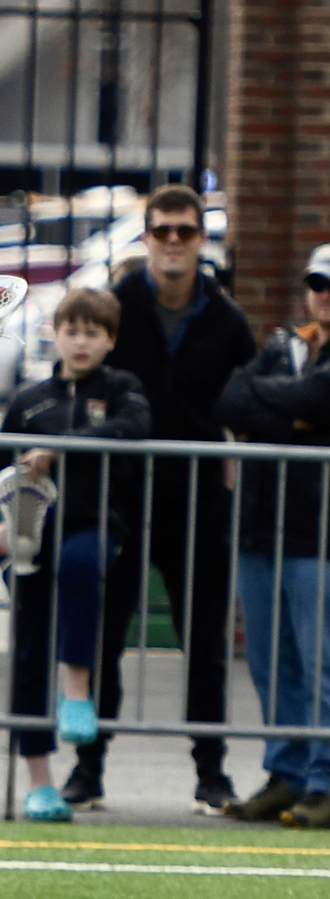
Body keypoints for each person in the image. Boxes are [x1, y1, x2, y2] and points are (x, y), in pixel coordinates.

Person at [69, 183, 255, 814]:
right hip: (120, 497)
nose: (174, 241)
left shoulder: (227, 321)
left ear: (202, 239)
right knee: (104, 637)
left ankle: (211, 773)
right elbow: (81, 378)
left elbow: (247, 400)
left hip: (198, 500)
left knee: (205, 641)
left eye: (186, 231)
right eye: (162, 230)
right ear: (146, 236)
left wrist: (235, 461)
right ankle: (88, 769)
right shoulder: (117, 306)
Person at [0, 288, 150, 822]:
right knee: (31, 650)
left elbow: (135, 428)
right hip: (30, 535)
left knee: (81, 566)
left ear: (111, 340)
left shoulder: (121, 389)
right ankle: (40, 784)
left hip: (94, 522)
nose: (81, 342)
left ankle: (76, 692)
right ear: (54, 334)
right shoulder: (29, 399)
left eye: (92, 333)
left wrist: (65, 447)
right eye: (71, 331)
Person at [213, 243, 330, 829]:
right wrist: (298, 421)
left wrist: (285, 409)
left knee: (319, 663)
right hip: (261, 527)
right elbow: (230, 400)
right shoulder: (284, 343)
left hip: (319, 533)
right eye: (318, 283)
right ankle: (287, 774)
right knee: (270, 662)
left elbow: (321, 398)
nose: (324, 295)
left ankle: (324, 779)